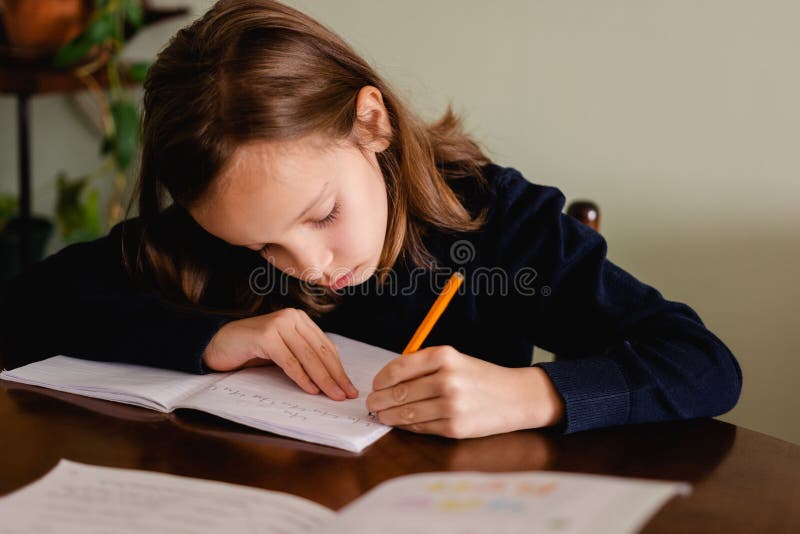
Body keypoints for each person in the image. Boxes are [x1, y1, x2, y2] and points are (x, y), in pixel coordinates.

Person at [0, 0, 741, 439]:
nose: (308, 266)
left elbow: (705, 364)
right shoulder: (221, 222)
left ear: (372, 123)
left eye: (322, 215)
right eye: (259, 245)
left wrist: (533, 394)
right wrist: (210, 337)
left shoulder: (495, 223)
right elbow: (23, 311)